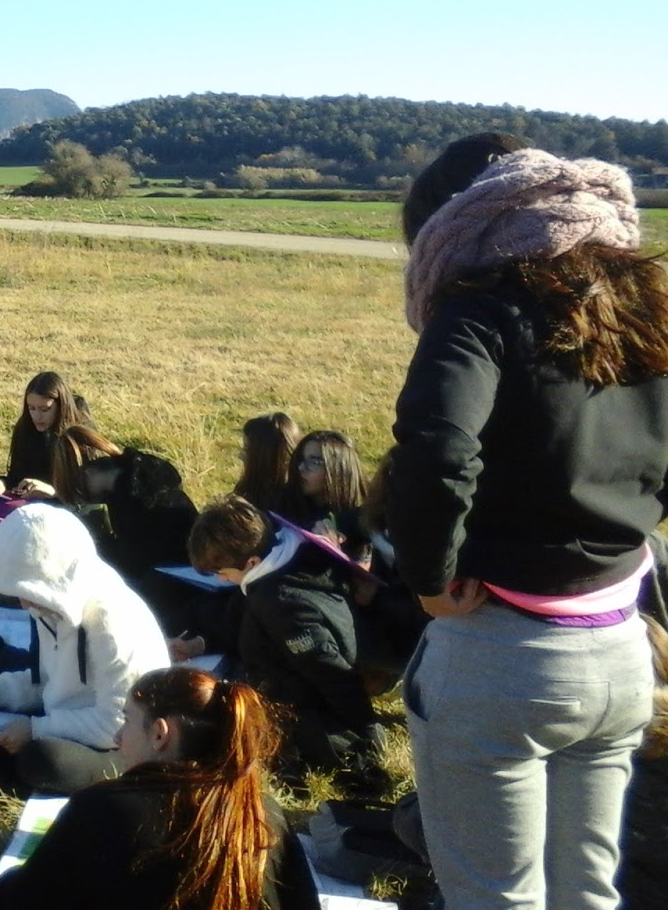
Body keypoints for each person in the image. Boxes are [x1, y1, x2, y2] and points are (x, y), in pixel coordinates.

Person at [390, 133, 666, 910]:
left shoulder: (480, 308)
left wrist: (429, 579)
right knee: (587, 891)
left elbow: (437, 447)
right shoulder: (643, 296)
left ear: (450, 225)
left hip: (501, 651)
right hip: (621, 646)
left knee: (493, 897)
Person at [0, 666, 319, 910]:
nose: (117, 738)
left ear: (160, 734)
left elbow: (21, 901)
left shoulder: (104, 807)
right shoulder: (264, 812)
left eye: (128, 721)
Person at [0, 503, 169, 794]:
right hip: (66, 718)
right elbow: (47, 682)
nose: (24, 605)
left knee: (44, 760)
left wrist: (36, 729)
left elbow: (114, 722)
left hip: (121, 742)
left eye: (28, 593)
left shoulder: (112, 622)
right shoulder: (50, 608)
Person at [187, 494, 384, 783]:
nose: (220, 580)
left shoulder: (281, 603)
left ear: (251, 561)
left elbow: (329, 670)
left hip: (299, 717)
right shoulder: (281, 569)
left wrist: (367, 733)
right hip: (276, 685)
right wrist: (200, 643)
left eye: (222, 573)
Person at [0, 371, 92, 499]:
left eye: (45, 409)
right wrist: (3, 483)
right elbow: (17, 477)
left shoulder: (80, 435)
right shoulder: (26, 427)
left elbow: (88, 494)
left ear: (61, 407)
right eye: (31, 408)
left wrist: (52, 492)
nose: (37, 416)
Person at [280, 430, 370, 566]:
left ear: (338, 469)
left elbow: (366, 581)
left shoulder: (362, 518)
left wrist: (335, 552)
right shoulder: (286, 501)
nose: (301, 467)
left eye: (314, 462)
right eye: (301, 459)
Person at [231, 412, 300, 514]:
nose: (240, 456)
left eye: (247, 449)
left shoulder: (285, 505)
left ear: (265, 457)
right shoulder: (253, 489)